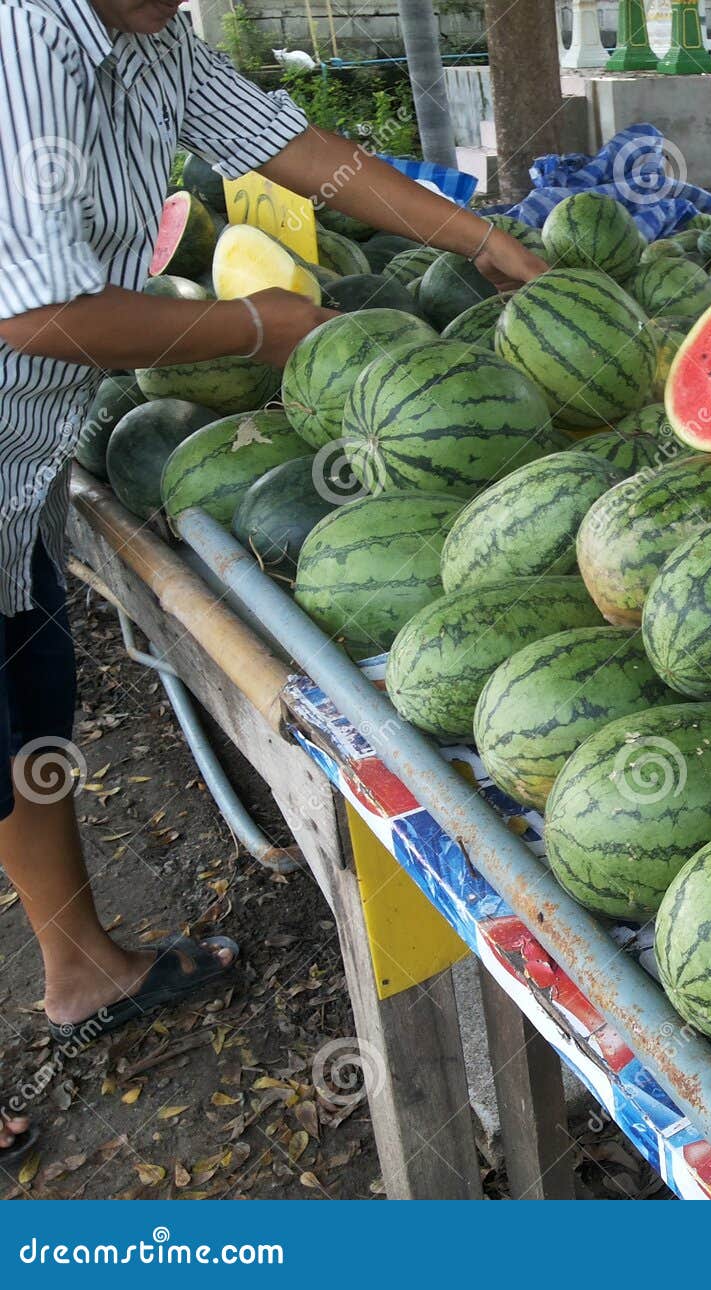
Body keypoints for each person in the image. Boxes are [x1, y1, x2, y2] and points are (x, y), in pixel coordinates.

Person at [0, 0, 548, 1165]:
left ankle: (83, 969)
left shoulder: (148, 41)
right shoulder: (26, 37)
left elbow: (300, 149)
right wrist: (260, 329)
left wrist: (472, 237)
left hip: (15, 464)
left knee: (24, 716)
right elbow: (38, 314)